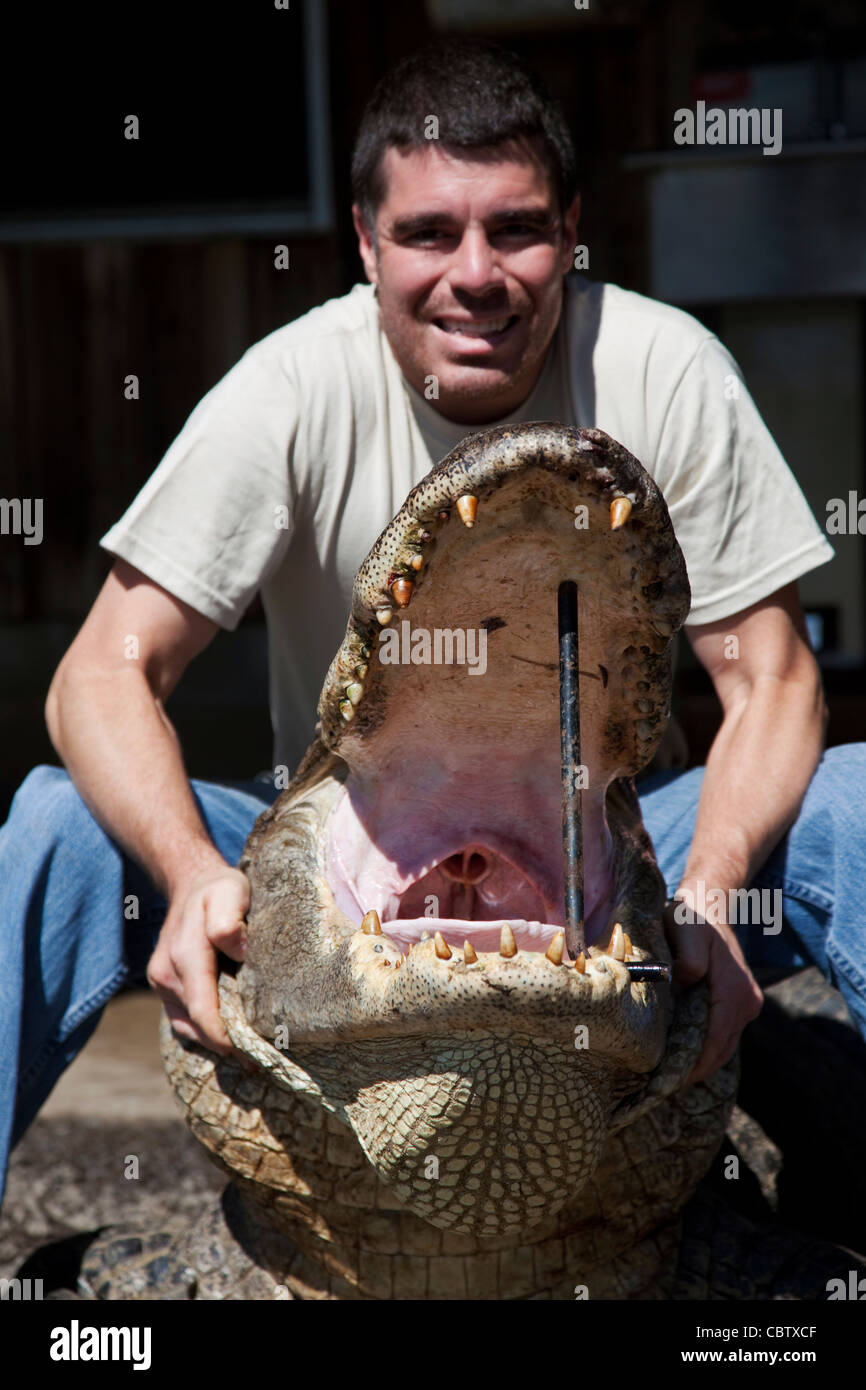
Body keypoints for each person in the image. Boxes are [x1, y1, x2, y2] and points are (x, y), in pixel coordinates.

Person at [1, 39, 862, 1208]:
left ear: (569, 232)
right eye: (425, 234)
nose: (475, 274)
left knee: (854, 800)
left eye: (514, 229)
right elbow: (97, 674)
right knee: (56, 818)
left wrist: (707, 886)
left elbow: (772, 677)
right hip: (352, 867)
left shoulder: (663, 366)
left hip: (610, 866)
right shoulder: (290, 385)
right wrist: (192, 869)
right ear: (364, 244)